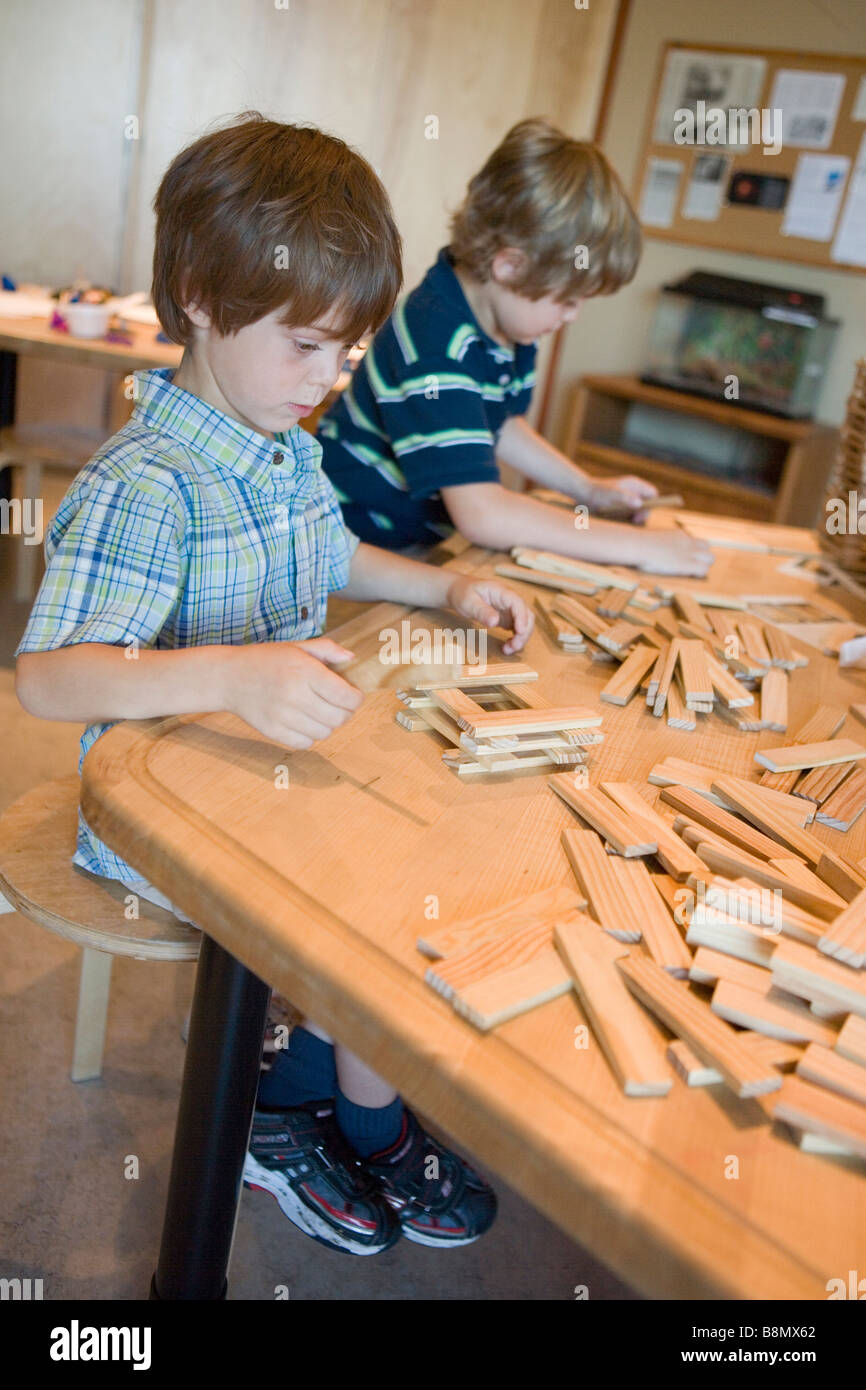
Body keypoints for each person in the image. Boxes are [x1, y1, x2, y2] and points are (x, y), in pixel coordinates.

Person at [14, 114, 535, 1257]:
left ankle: (307, 1078)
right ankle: (322, 1112)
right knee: (379, 888)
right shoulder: (146, 482)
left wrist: (442, 592)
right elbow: (47, 682)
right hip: (160, 811)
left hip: (257, 765)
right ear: (200, 292)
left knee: (442, 821)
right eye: (307, 345)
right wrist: (235, 674)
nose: (328, 378)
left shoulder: (281, 442)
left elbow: (328, 555)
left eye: (347, 353)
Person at [319, 117, 713, 579]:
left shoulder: (507, 324)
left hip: (419, 543)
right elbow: (483, 514)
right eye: (567, 299)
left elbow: (497, 423)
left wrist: (587, 490)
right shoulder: (436, 345)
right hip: (354, 555)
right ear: (508, 265)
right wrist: (637, 547)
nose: (572, 316)